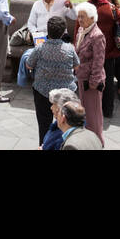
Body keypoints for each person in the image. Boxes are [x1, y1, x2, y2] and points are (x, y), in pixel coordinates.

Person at [25, 16, 80, 144]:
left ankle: (44, 145)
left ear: (48, 31)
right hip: (66, 93)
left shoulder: (40, 48)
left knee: (44, 124)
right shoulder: (70, 49)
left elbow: (29, 64)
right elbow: (77, 65)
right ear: (63, 32)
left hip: (42, 91)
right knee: (66, 125)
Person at [91, 0, 120, 115]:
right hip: (106, 50)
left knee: (98, 80)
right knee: (106, 80)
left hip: (97, 50)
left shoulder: (90, 7)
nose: (107, 1)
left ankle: (97, 109)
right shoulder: (113, 10)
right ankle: (106, 110)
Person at [72, 1, 107, 143]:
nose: (80, 20)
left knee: (93, 114)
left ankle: (98, 141)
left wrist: (93, 82)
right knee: (85, 111)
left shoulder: (97, 35)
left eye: (83, 17)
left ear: (92, 18)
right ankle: (88, 140)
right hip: (81, 77)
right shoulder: (81, 31)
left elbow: (99, 61)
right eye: (79, 16)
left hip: (91, 82)